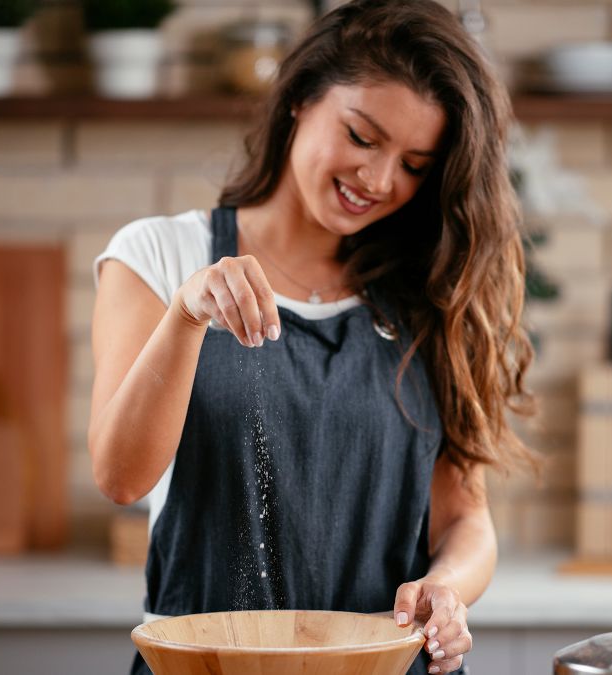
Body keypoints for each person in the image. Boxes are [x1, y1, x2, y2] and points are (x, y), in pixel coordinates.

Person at [89, 1, 537, 673]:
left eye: (415, 164)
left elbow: (463, 521)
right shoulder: (159, 254)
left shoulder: (429, 290)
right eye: (362, 136)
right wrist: (187, 314)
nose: (380, 180)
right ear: (299, 98)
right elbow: (121, 477)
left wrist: (447, 587)